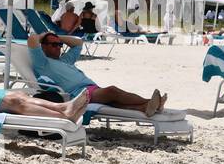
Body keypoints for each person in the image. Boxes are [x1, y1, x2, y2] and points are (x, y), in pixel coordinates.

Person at [29, 33, 165, 115]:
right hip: (79, 93)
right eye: (54, 45)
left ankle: (145, 107)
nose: (58, 47)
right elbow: (32, 39)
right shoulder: (42, 63)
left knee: (113, 101)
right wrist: (44, 35)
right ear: (44, 46)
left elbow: (78, 43)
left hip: (91, 88)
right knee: (112, 91)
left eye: (59, 45)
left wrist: (57, 37)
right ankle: (152, 102)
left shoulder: (65, 60)